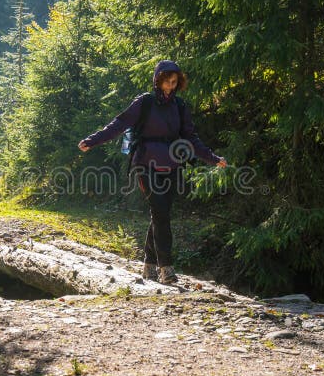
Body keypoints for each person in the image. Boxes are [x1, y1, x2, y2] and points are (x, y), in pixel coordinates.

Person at [78, 60, 227, 284]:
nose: (170, 85)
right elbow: (118, 124)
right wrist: (92, 141)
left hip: (172, 165)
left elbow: (190, 138)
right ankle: (166, 268)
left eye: (174, 81)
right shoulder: (144, 102)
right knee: (160, 212)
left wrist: (212, 158)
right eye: (167, 80)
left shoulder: (180, 106)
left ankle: (149, 264)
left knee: (161, 213)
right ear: (157, 80)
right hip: (146, 164)